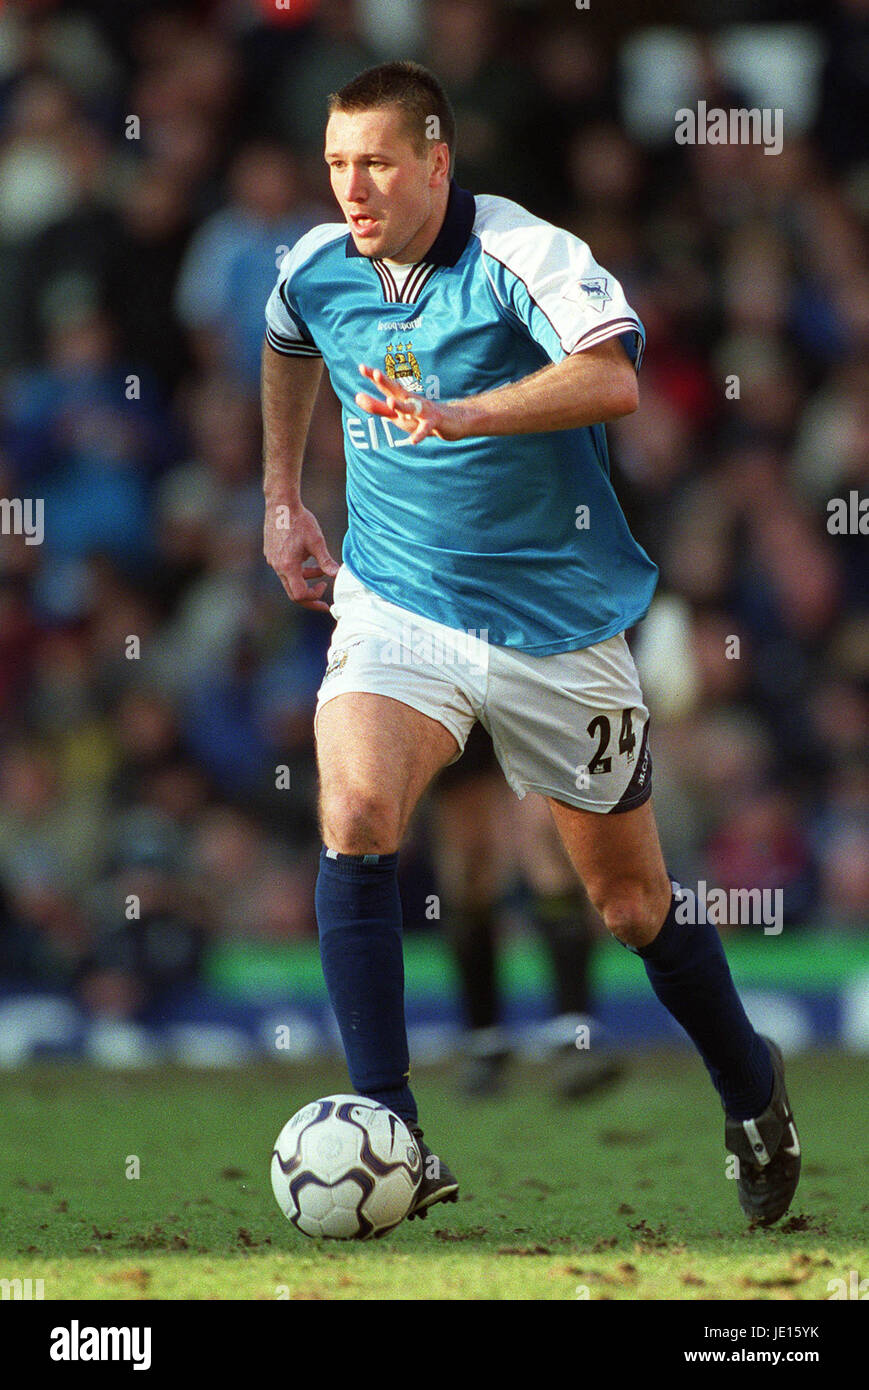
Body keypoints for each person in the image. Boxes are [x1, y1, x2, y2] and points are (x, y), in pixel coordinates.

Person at [261, 61, 801, 1226]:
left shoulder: (521, 253)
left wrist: (465, 411)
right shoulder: (317, 267)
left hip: (556, 628)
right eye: (336, 164)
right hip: (397, 605)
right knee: (355, 816)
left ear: (437, 160)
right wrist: (280, 495)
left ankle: (750, 1086)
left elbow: (612, 378)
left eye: (376, 164)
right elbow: (285, 337)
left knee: (629, 904)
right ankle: (391, 1124)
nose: (352, 188)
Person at [431, 723, 625, 1099]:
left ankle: (574, 1034)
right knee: (473, 859)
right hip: (455, 677)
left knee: (546, 839)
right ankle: (484, 1043)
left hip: (530, 668)